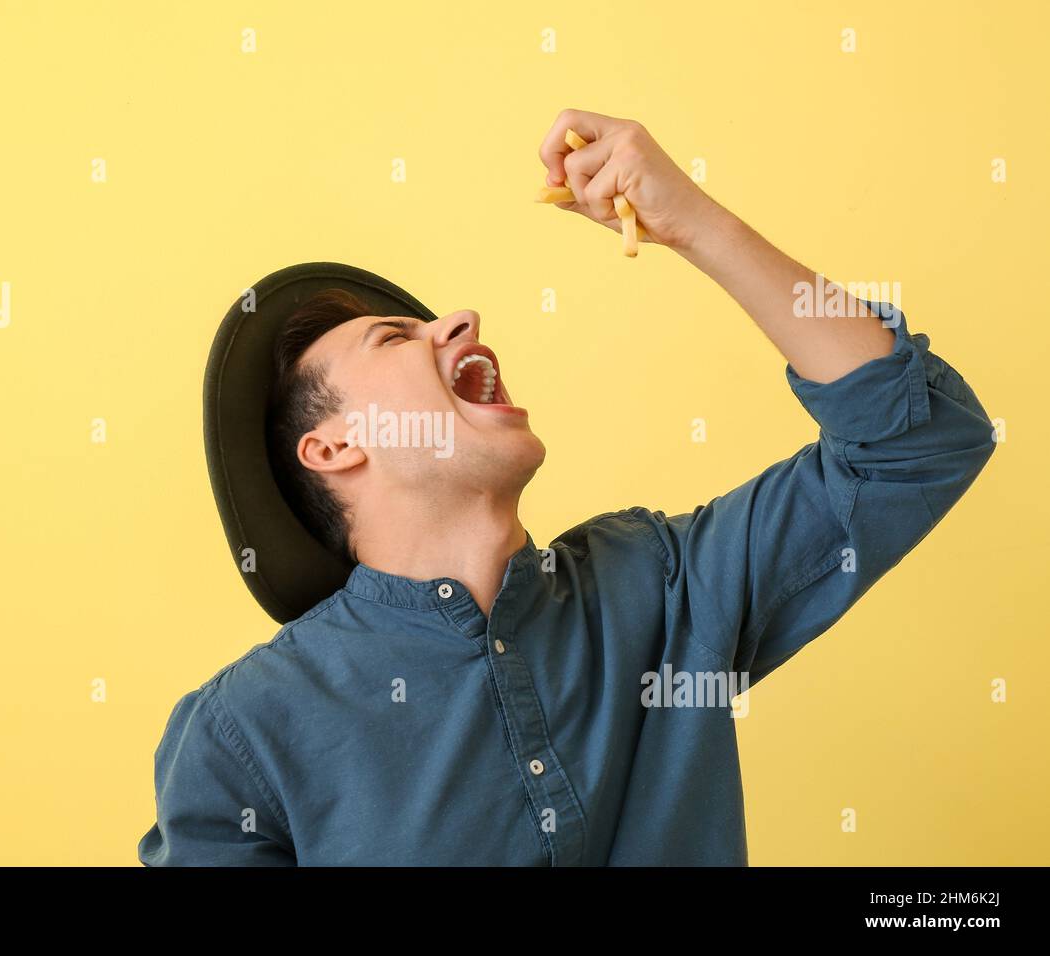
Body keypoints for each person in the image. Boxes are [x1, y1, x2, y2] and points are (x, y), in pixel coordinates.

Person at [138, 108, 996, 865]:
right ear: (333, 450)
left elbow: (917, 442)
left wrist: (691, 223)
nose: (461, 322)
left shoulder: (657, 584)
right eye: (398, 339)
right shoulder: (241, 735)